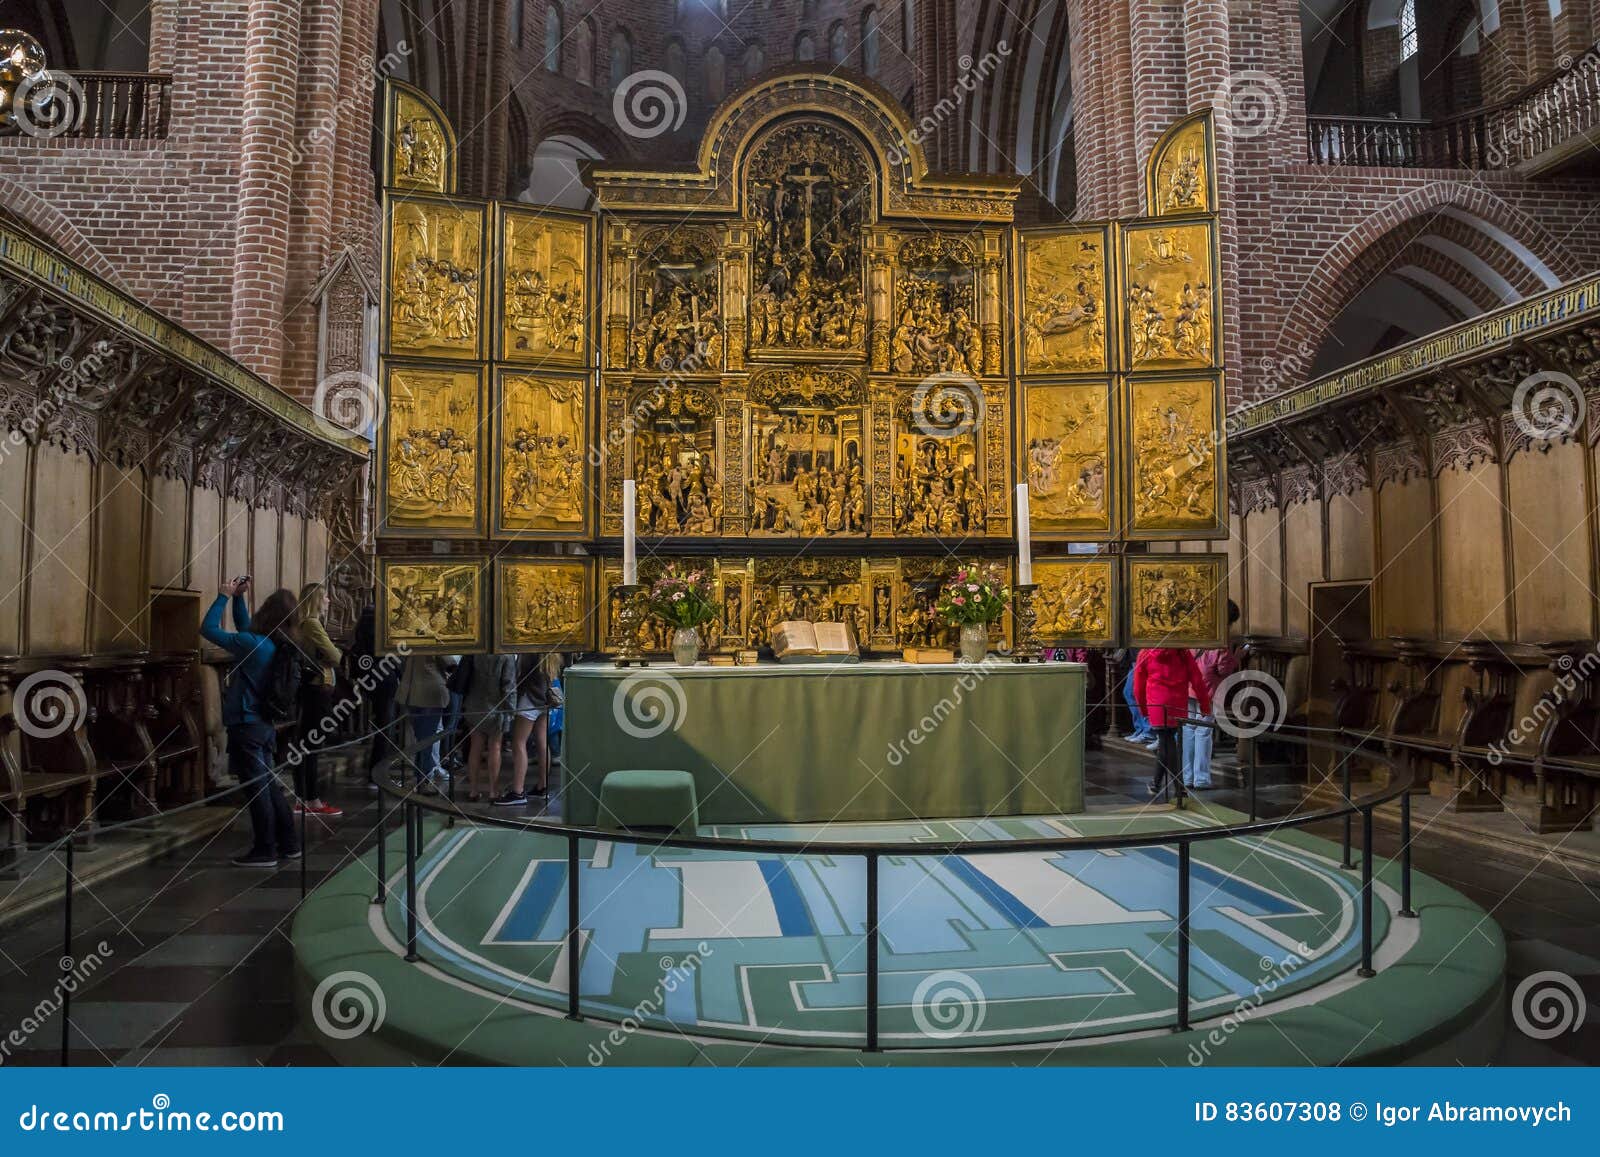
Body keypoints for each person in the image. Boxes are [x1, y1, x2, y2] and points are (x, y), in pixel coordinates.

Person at [201, 578, 300, 868]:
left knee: (258, 789)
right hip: (263, 724)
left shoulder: (254, 644)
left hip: (247, 723)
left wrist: (222, 596)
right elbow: (246, 629)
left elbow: (208, 629)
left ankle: (265, 850)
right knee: (269, 786)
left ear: (266, 613)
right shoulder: (272, 643)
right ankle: (289, 844)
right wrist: (239, 600)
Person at [291, 582, 343, 817]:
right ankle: (309, 800)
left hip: (315, 689)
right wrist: (335, 655)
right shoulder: (311, 624)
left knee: (309, 745)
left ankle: (307, 798)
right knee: (311, 746)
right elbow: (335, 656)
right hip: (316, 690)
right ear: (315, 600)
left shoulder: (309, 624)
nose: (329, 601)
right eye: (325, 597)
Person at [1134, 646, 1212, 802]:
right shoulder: (1182, 653)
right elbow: (1196, 678)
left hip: (1156, 704)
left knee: (1165, 742)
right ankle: (1172, 786)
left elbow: (1138, 686)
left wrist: (1142, 709)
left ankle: (1169, 785)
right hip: (1177, 703)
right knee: (1168, 742)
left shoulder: (1145, 652)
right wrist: (1204, 704)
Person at [1183, 601, 1241, 790]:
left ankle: (1187, 777)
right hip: (1207, 691)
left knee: (1189, 730)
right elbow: (1222, 669)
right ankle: (1201, 779)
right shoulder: (1220, 639)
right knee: (1204, 732)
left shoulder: (1196, 630)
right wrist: (1238, 657)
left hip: (1189, 687)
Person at [495, 652, 560, 807]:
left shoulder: (531, 650)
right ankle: (542, 786)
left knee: (518, 742)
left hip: (529, 698)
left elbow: (522, 675)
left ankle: (517, 791)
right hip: (545, 698)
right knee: (542, 742)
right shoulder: (552, 652)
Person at [458, 653, 517, 802]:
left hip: (474, 705)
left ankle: (473, 790)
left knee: (475, 748)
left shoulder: (476, 651)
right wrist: (512, 711)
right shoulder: (506, 655)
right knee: (495, 748)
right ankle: (493, 791)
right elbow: (509, 685)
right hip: (496, 707)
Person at [395, 653, 457, 793]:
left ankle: (419, 777)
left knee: (420, 740)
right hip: (430, 693)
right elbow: (449, 663)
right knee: (427, 741)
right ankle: (424, 781)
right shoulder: (433, 639)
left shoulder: (408, 638)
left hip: (410, 692)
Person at [1119, 649, 1157, 747]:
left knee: (1137, 693)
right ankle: (1141, 728)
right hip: (1135, 658)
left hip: (1143, 656)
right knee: (1129, 693)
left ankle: (1148, 731)